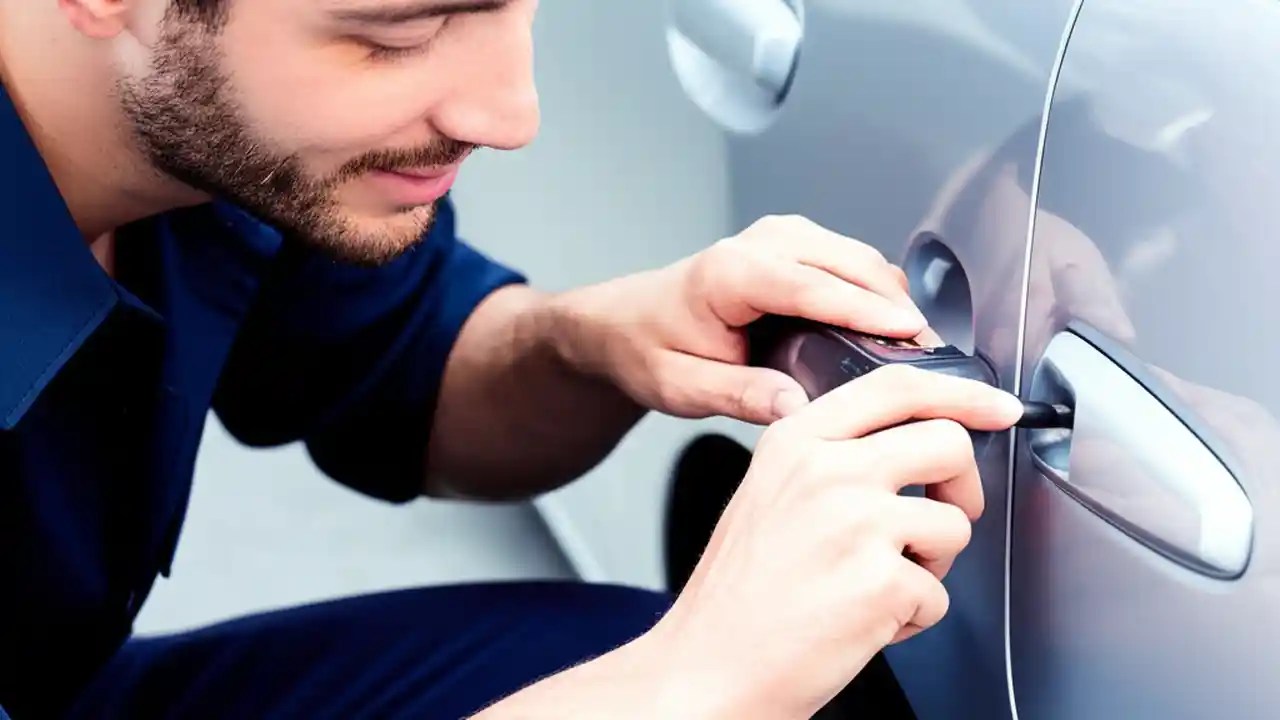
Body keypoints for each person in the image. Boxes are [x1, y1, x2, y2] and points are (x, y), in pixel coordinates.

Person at [0, 0, 1024, 717]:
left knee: (626, 662)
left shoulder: (218, 135)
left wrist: (600, 343)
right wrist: (685, 687)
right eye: (396, 35)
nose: (510, 117)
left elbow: (413, 374)